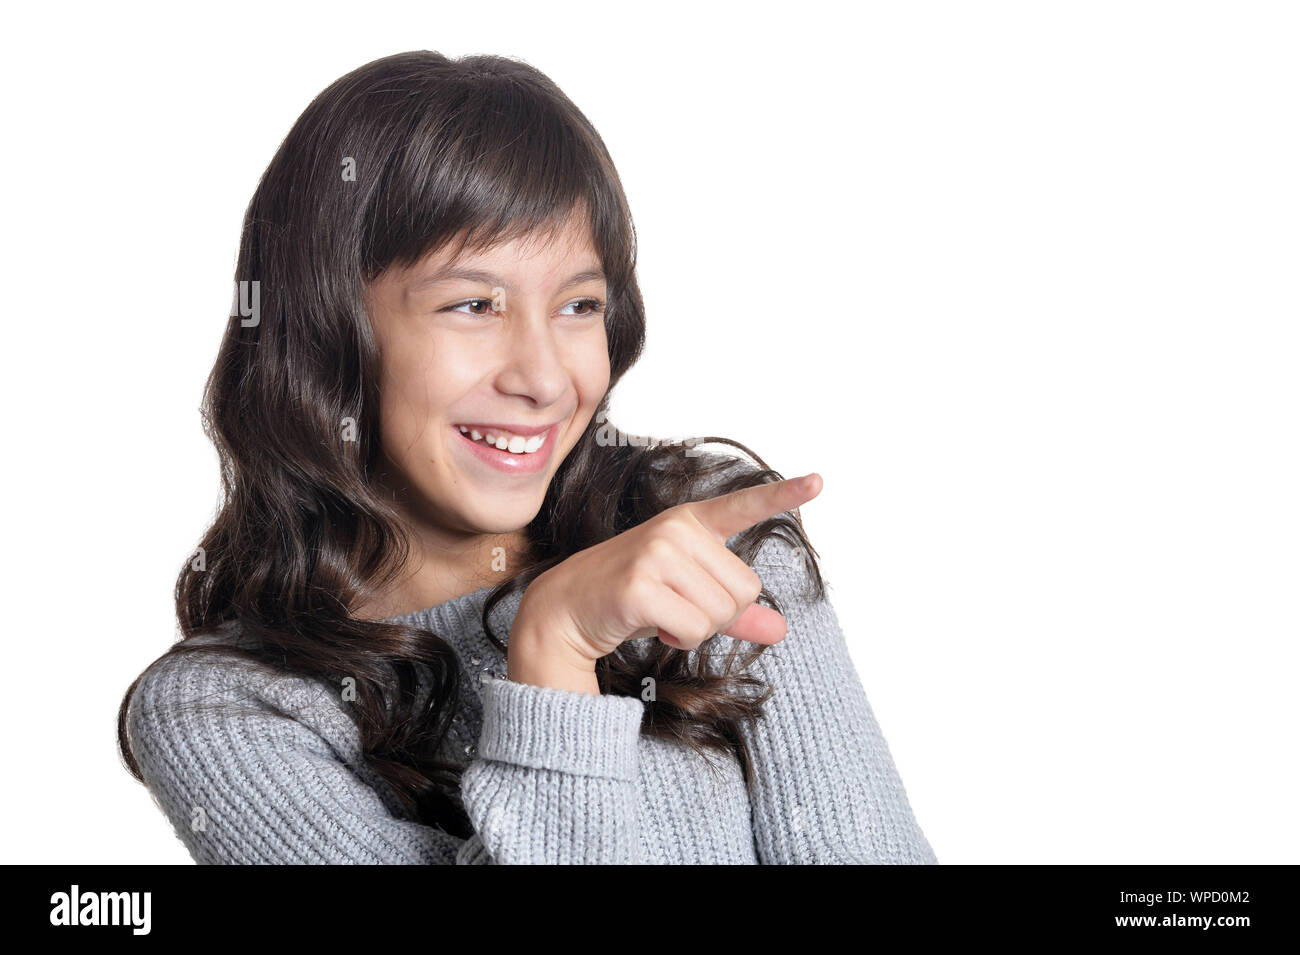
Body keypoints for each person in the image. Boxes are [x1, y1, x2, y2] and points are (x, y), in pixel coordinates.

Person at [117, 50, 937, 865]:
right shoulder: (226, 709)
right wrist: (552, 652)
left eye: (580, 305)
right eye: (474, 304)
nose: (545, 379)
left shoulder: (706, 538)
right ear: (328, 333)